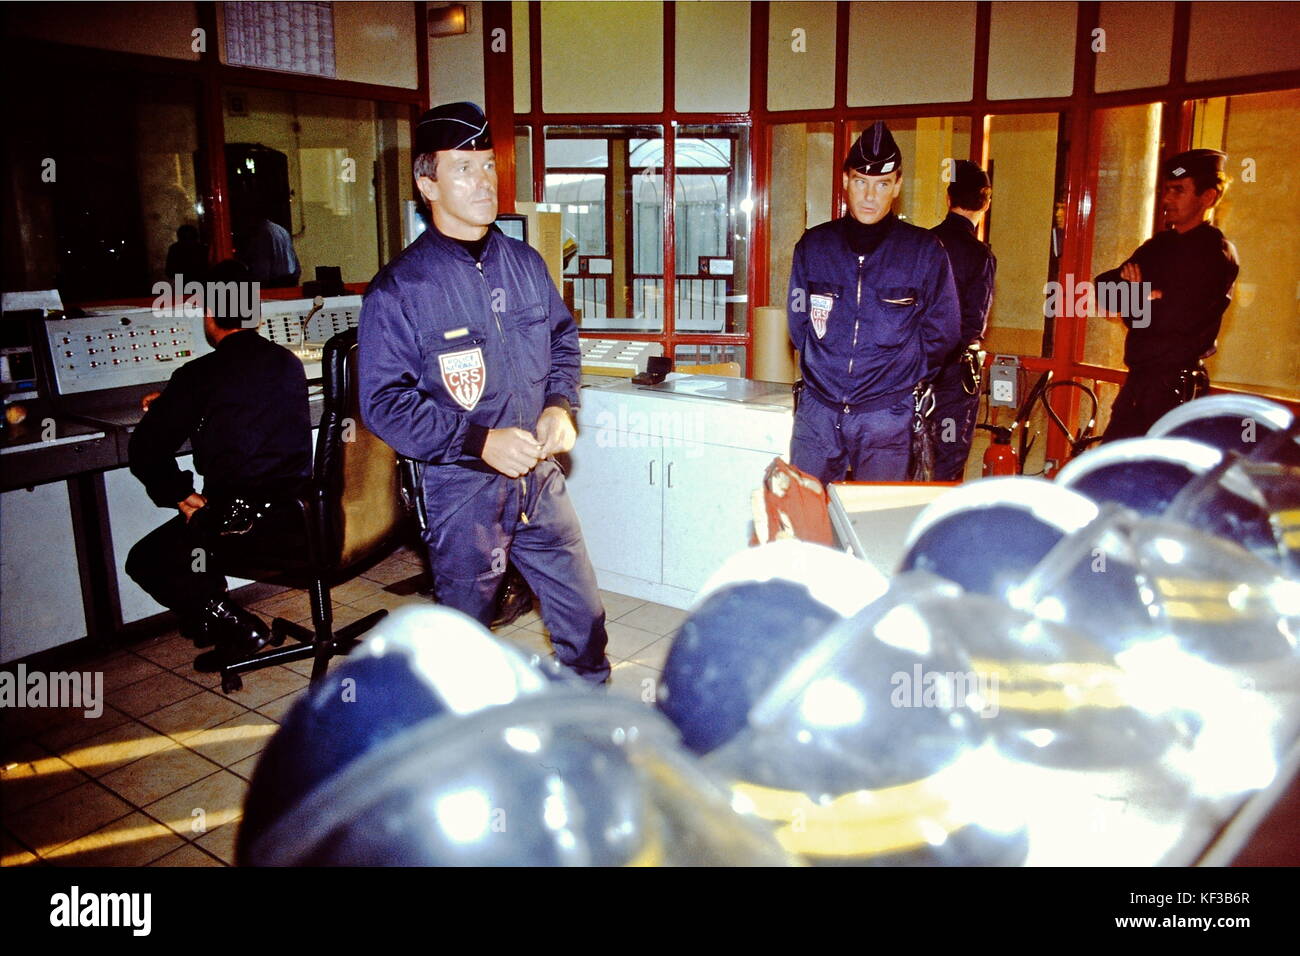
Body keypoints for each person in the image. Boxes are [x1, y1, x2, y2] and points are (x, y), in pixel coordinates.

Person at [357, 102, 610, 685]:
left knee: (585, 616)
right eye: (463, 168)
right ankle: (468, 743)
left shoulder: (524, 263)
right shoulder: (401, 288)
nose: (483, 181)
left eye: (488, 166)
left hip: (540, 478)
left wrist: (560, 405)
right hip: (461, 489)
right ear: (428, 183)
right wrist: (478, 442)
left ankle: (590, 727)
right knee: (467, 638)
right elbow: (384, 403)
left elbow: (562, 343)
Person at [126, 260, 312, 671]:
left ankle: (237, 627)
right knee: (194, 536)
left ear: (209, 316)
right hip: (297, 513)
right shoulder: (287, 363)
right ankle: (219, 621)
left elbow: (145, 450)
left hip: (241, 519)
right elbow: (247, 407)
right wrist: (179, 403)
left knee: (147, 558)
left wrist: (179, 494)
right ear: (256, 314)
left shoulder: (198, 375)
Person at [787, 120, 961, 484]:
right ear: (846, 181)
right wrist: (826, 370)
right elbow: (798, 322)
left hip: (886, 416)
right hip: (818, 411)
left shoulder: (923, 252)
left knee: (875, 522)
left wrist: (899, 380)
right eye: (861, 182)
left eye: (882, 184)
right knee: (806, 514)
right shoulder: (814, 246)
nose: (870, 196)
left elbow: (943, 332)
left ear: (896, 186)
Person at [1097, 148, 1239, 442]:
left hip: (1175, 392)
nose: (1166, 200)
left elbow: (1173, 320)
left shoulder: (1215, 253)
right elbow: (1104, 287)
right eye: (1166, 190)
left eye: (1178, 190)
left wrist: (1137, 297)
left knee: (1159, 478)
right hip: (1138, 386)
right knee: (1109, 469)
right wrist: (1149, 296)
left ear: (1208, 197)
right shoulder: (1159, 245)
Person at [930, 160, 997, 482]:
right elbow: (975, 321)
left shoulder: (923, 243)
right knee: (948, 448)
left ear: (948, 198)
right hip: (955, 371)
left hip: (915, 364)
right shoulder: (979, 254)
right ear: (986, 201)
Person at [239, 210, 300, 288]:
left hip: (273, 286)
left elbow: (262, 270)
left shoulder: (262, 234)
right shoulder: (282, 230)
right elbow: (296, 265)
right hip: (289, 282)